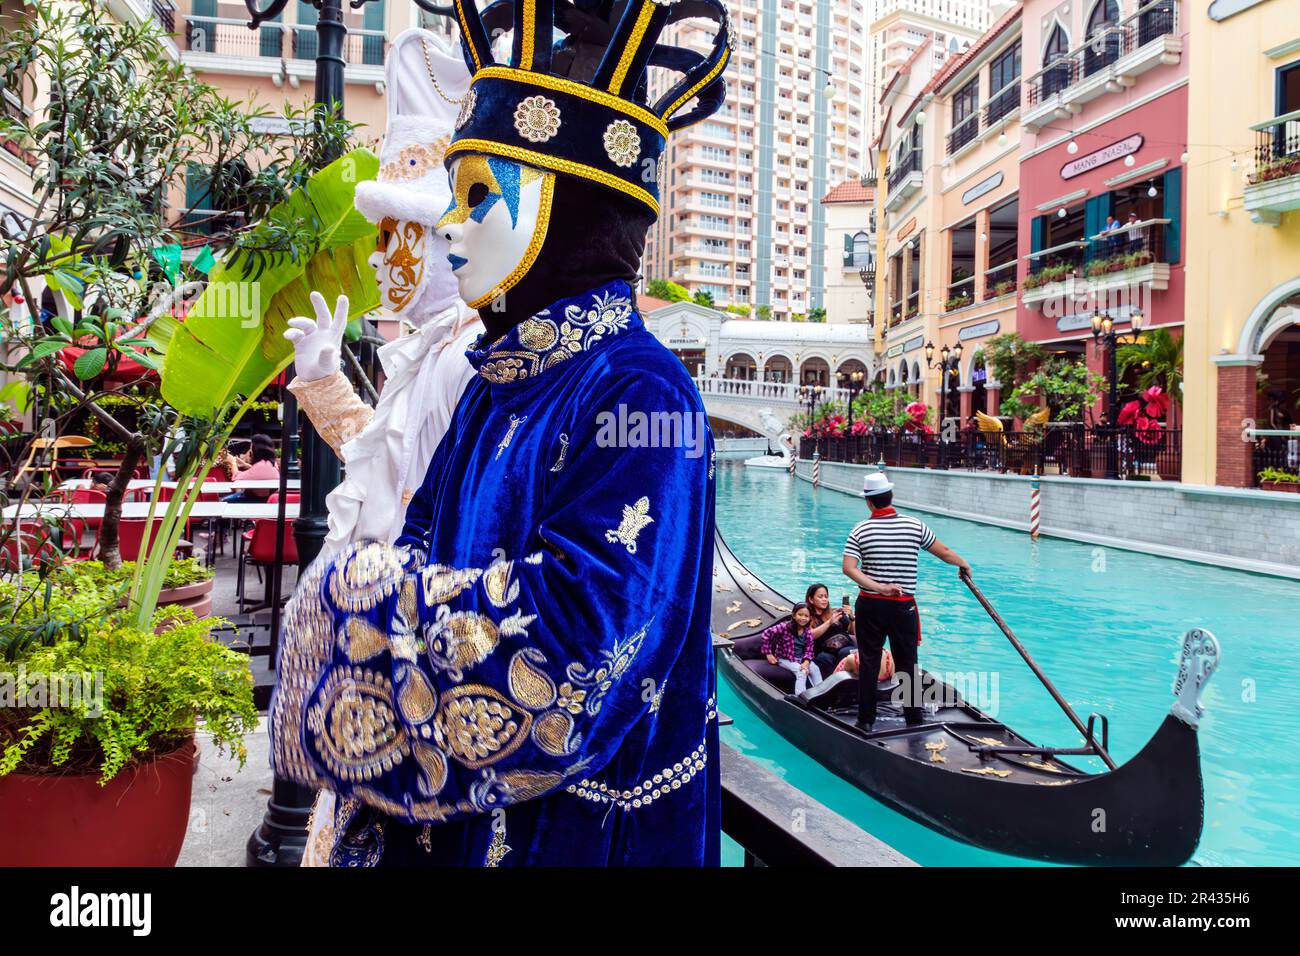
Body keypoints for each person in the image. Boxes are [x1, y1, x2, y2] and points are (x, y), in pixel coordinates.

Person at [270, 0, 733, 867]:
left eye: (477, 195)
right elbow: (416, 532)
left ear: (564, 208)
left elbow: (582, 649)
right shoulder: (500, 380)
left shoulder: (642, 391)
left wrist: (347, 609)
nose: (447, 225)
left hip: (575, 837)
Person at [842, 472, 970, 730]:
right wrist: (964, 564)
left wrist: (879, 587)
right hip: (903, 607)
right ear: (890, 497)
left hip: (870, 604)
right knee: (907, 663)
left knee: (869, 661)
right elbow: (943, 552)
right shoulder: (914, 525)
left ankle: (865, 721)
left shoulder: (861, 529)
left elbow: (849, 568)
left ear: (869, 502)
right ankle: (914, 719)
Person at [760, 603, 822, 694]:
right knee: (802, 672)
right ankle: (801, 698)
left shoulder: (807, 632)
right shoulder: (784, 627)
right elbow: (766, 634)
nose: (803, 618)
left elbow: (809, 650)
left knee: (815, 669)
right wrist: (768, 653)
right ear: (793, 615)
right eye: (800, 615)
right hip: (785, 659)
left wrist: (806, 662)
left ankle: (821, 693)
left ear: (810, 618)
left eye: (806, 616)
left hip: (801, 659)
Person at [805, 582, 855, 676]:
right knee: (823, 658)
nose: (824, 599)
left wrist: (852, 618)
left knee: (844, 652)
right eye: (820, 597)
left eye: (826, 596)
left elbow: (853, 632)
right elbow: (810, 635)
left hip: (846, 647)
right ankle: (832, 686)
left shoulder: (835, 612)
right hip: (826, 652)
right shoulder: (808, 617)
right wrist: (829, 622)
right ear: (811, 599)